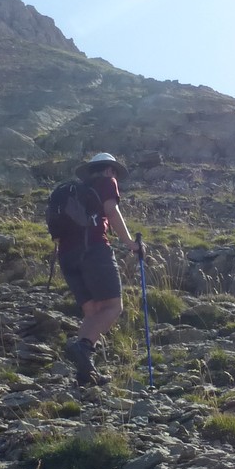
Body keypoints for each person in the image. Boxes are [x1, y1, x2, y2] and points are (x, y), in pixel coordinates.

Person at [55, 153, 143, 385]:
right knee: (113, 306)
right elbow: (111, 210)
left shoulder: (76, 191)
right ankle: (83, 347)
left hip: (66, 256)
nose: (115, 177)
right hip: (93, 250)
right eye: (115, 173)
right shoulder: (106, 181)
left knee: (93, 311)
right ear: (109, 170)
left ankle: (85, 373)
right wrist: (131, 243)